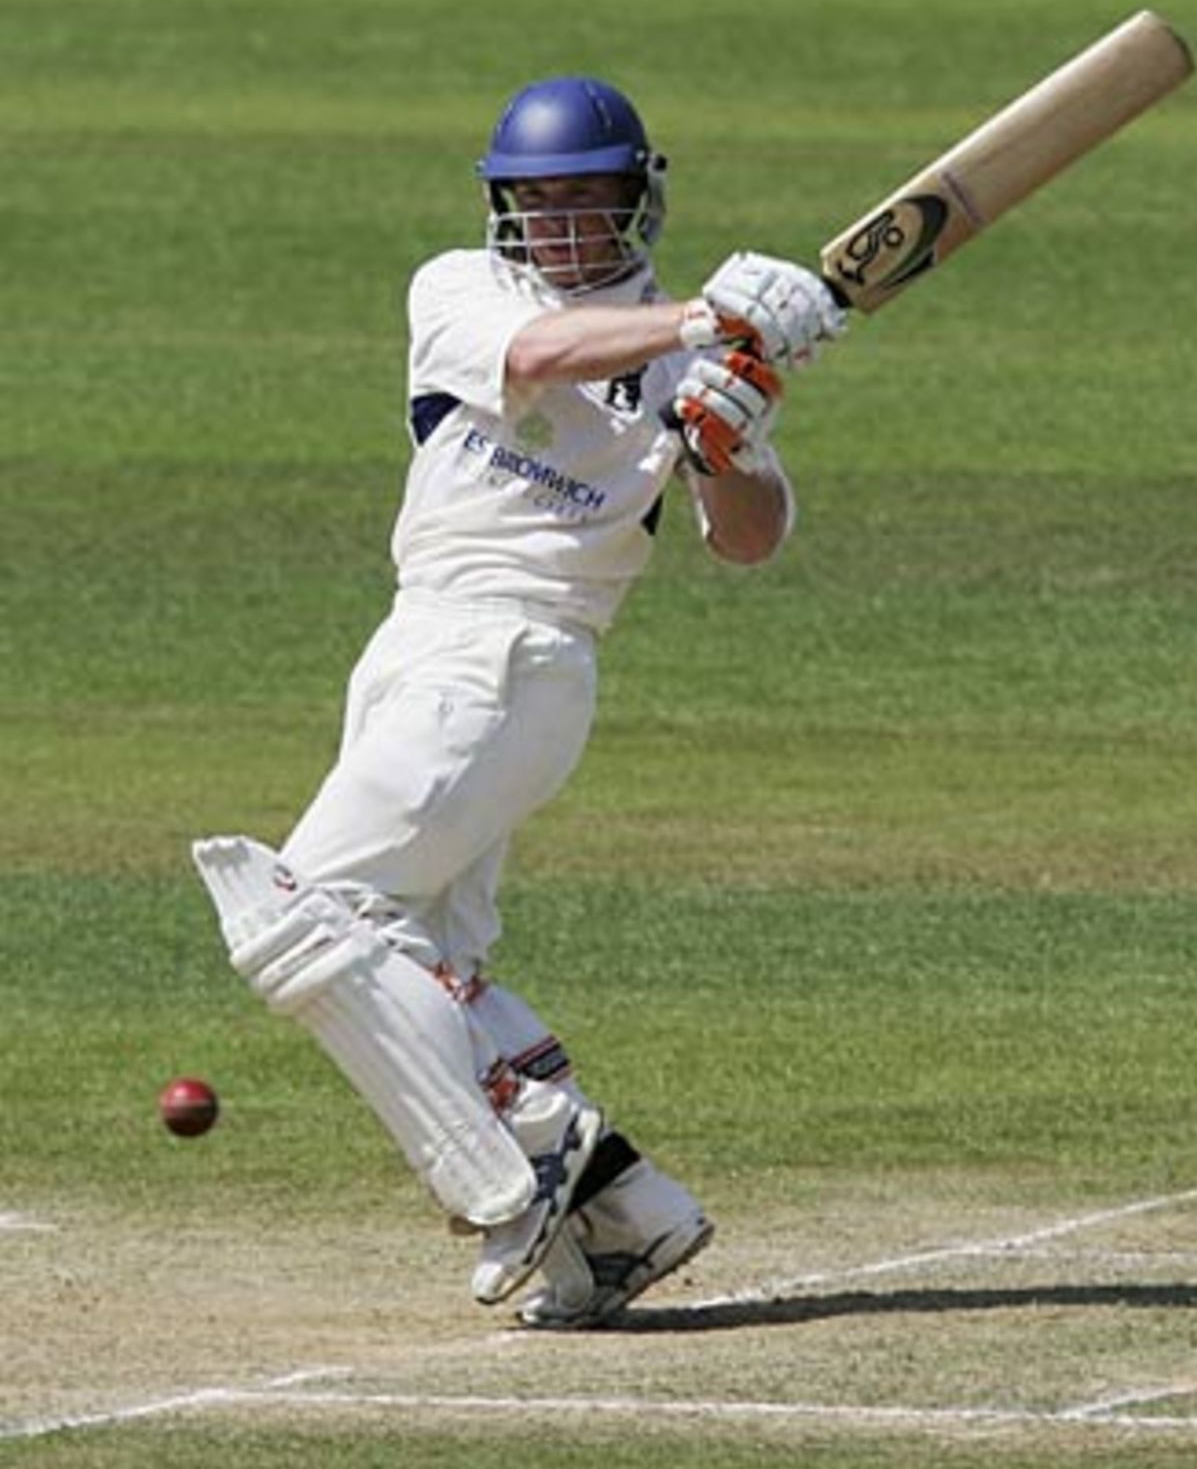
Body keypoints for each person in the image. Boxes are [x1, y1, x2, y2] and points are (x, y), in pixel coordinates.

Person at [191, 76, 845, 1329]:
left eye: (582, 198)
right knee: (422, 955)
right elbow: (538, 356)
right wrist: (702, 318)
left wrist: (721, 440)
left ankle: (522, 1163)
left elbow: (747, 541)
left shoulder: (682, 357)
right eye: (533, 201)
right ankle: (625, 1205)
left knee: (304, 913)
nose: (557, 224)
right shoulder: (461, 288)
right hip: (413, 639)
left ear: (632, 198)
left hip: (514, 654)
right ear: (501, 209)